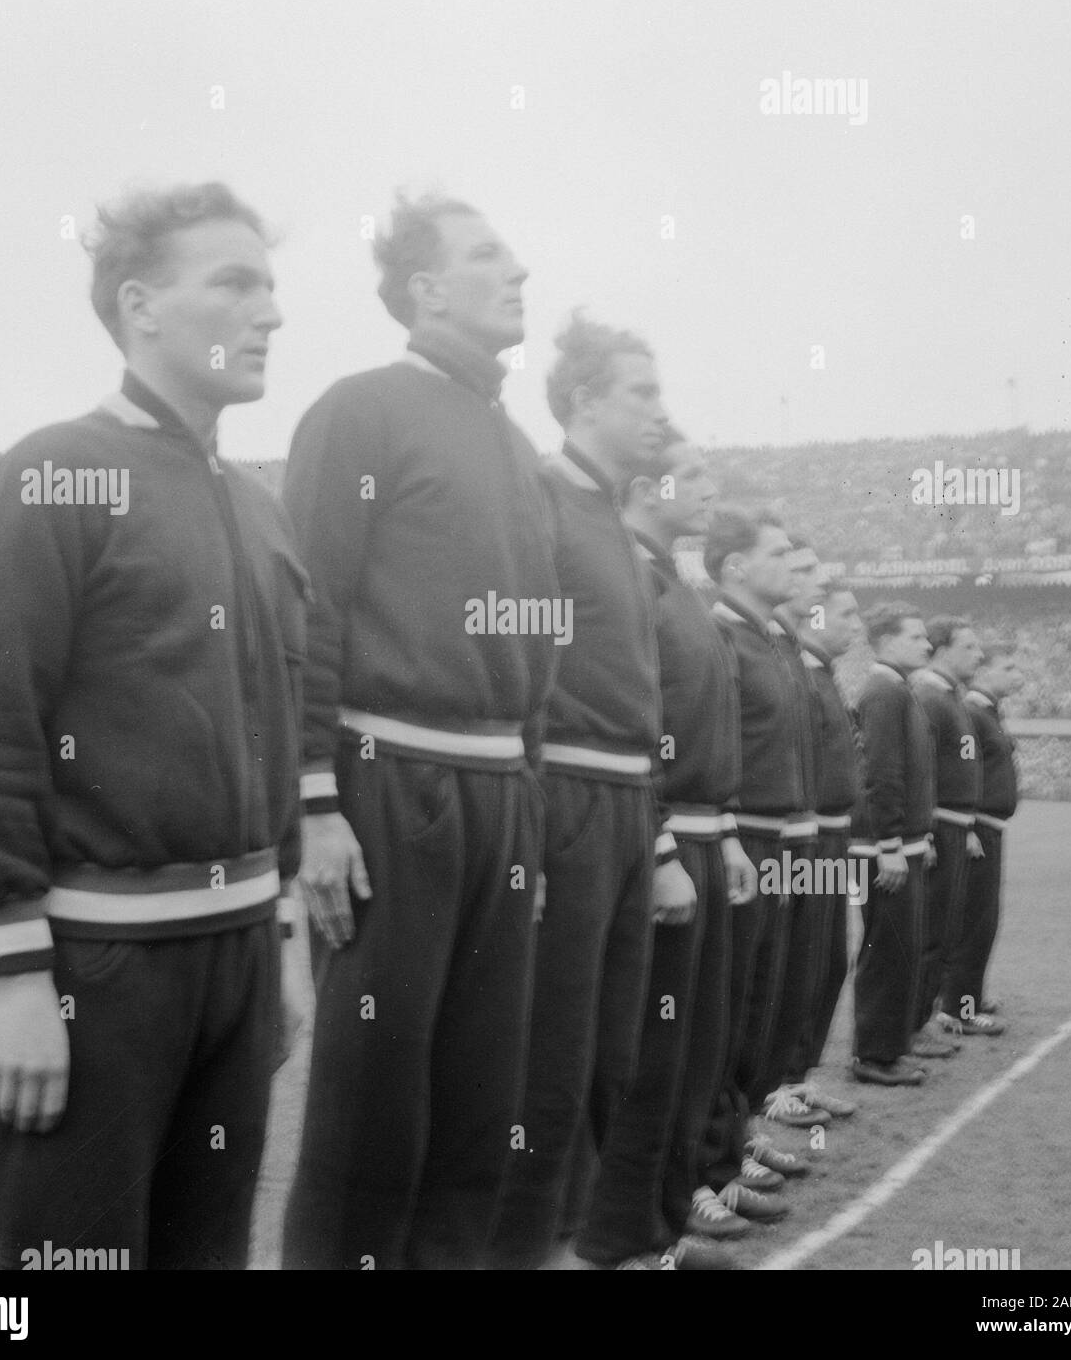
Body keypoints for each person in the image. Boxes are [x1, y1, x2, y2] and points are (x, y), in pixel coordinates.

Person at [0, 182, 306, 1269]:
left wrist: (275, 933)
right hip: (97, 962)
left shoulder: (258, 503)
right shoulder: (53, 472)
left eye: (272, 285)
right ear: (141, 306)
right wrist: (10, 971)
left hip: (234, 958)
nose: (271, 311)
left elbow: (274, 731)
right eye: (236, 282)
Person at [280, 193, 559, 1270]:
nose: (520, 268)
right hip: (393, 781)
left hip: (503, 800)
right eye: (491, 253)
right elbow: (311, 611)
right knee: (374, 1099)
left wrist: (526, 790)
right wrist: (313, 800)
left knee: (483, 1095)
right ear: (428, 288)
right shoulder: (364, 410)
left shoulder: (511, 436)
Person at [490, 313, 692, 1269]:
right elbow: (512, 668)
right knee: (545, 1065)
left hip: (621, 809)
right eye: (641, 392)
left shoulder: (614, 519)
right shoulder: (536, 498)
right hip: (560, 797)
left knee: (605, 1060)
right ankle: (517, 1249)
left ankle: (568, 1244)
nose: (661, 411)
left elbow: (635, 707)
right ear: (580, 401)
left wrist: (651, 843)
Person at [575, 429, 761, 1269]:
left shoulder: (670, 580)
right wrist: (658, 844)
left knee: (691, 1043)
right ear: (648, 486)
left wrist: (717, 833)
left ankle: (665, 1217)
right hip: (655, 829)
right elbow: (634, 721)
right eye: (694, 475)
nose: (709, 490)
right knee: (647, 1049)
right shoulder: (634, 578)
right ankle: (624, 1235)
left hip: (695, 827)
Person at [699, 508, 819, 1201]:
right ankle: (713, 1156)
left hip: (781, 840)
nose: (791, 565)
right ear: (736, 565)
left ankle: (738, 1132)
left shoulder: (772, 638)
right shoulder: (722, 635)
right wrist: (727, 834)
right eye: (778, 553)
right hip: (741, 836)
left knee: (764, 1001)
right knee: (732, 1002)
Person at [849, 602, 935, 1087]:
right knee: (888, 948)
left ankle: (888, 1048)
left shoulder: (897, 689)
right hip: (884, 848)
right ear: (885, 642)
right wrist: (888, 844)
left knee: (901, 948)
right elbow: (881, 773)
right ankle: (872, 1056)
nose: (926, 645)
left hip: (903, 842)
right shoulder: (884, 692)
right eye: (916, 636)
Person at [786, 580, 864, 1093]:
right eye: (846, 616)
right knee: (801, 959)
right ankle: (781, 1084)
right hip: (808, 838)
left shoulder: (825, 676)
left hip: (835, 838)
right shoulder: (802, 677)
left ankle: (800, 1075)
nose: (856, 627)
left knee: (828, 961)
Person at [912, 617, 986, 1045]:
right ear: (942, 650)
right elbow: (925, 770)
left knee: (944, 931)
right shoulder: (930, 697)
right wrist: (925, 831)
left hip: (956, 825)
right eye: (969, 646)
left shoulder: (951, 698)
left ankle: (922, 1019)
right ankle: (912, 1025)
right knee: (930, 931)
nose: (978, 655)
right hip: (938, 826)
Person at [950, 640, 1022, 1026]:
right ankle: (960, 1008)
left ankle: (970, 998)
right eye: (1008, 668)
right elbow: (965, 771)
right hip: (977, 830)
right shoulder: (973, 714)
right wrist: (968, 824)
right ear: (986, 672)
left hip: (989, 828)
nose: (1017, 675)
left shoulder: (989, 712)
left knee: (984, 920)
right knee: (973, 922)